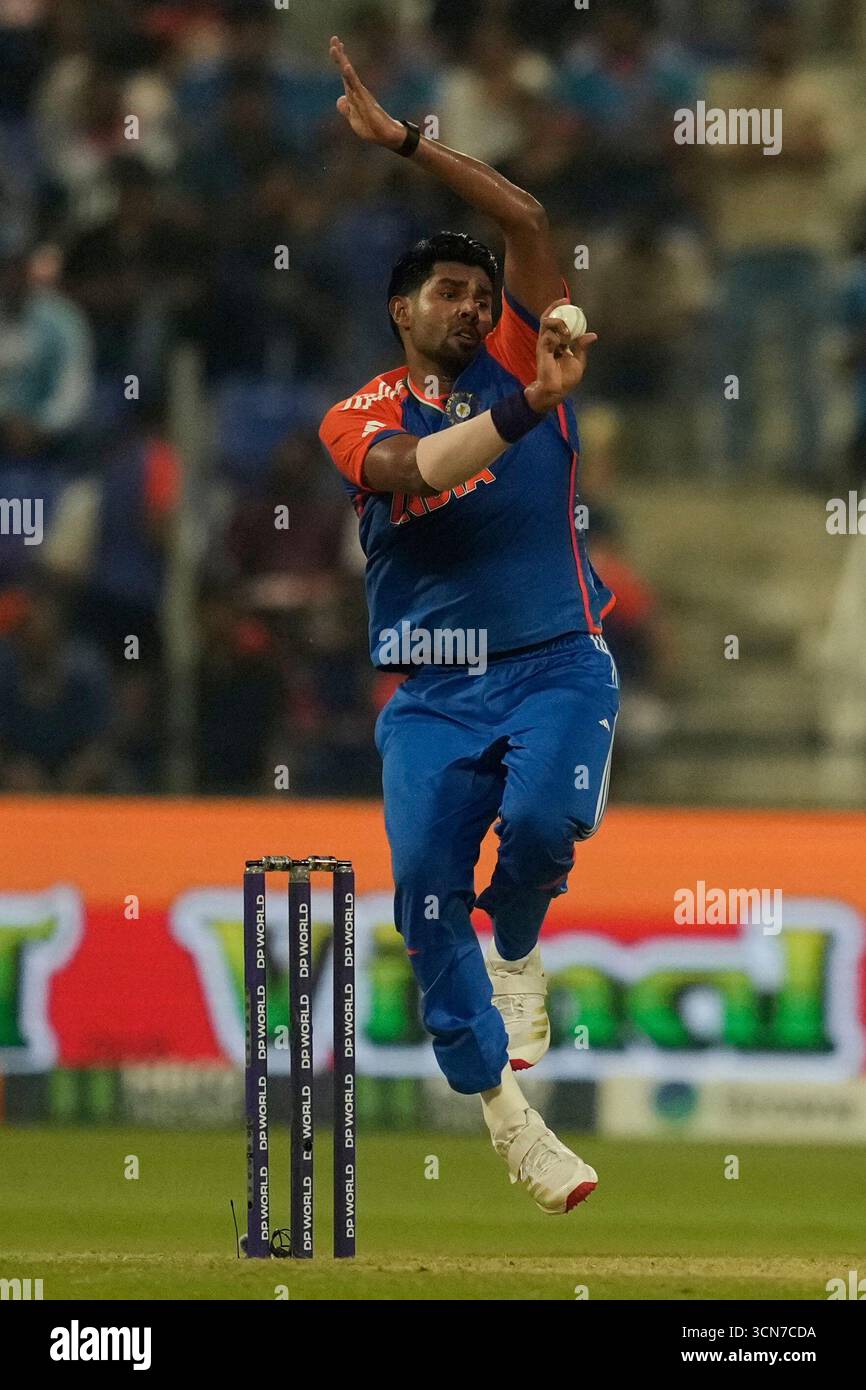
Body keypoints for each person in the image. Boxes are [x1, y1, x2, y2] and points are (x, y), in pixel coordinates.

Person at [319, 37, 618, 1217]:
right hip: (429, 690)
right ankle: (507, 1117)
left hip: (556, 660)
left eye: (481, 291)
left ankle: (522, 943)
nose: (473, 302)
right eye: (446, 291)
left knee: (544, 822)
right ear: (401, 312)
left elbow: (526, 211)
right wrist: (529, 408)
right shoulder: (359, 413)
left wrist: (404, 141)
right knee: (423, 896)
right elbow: (414, 467)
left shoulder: (518, 351)